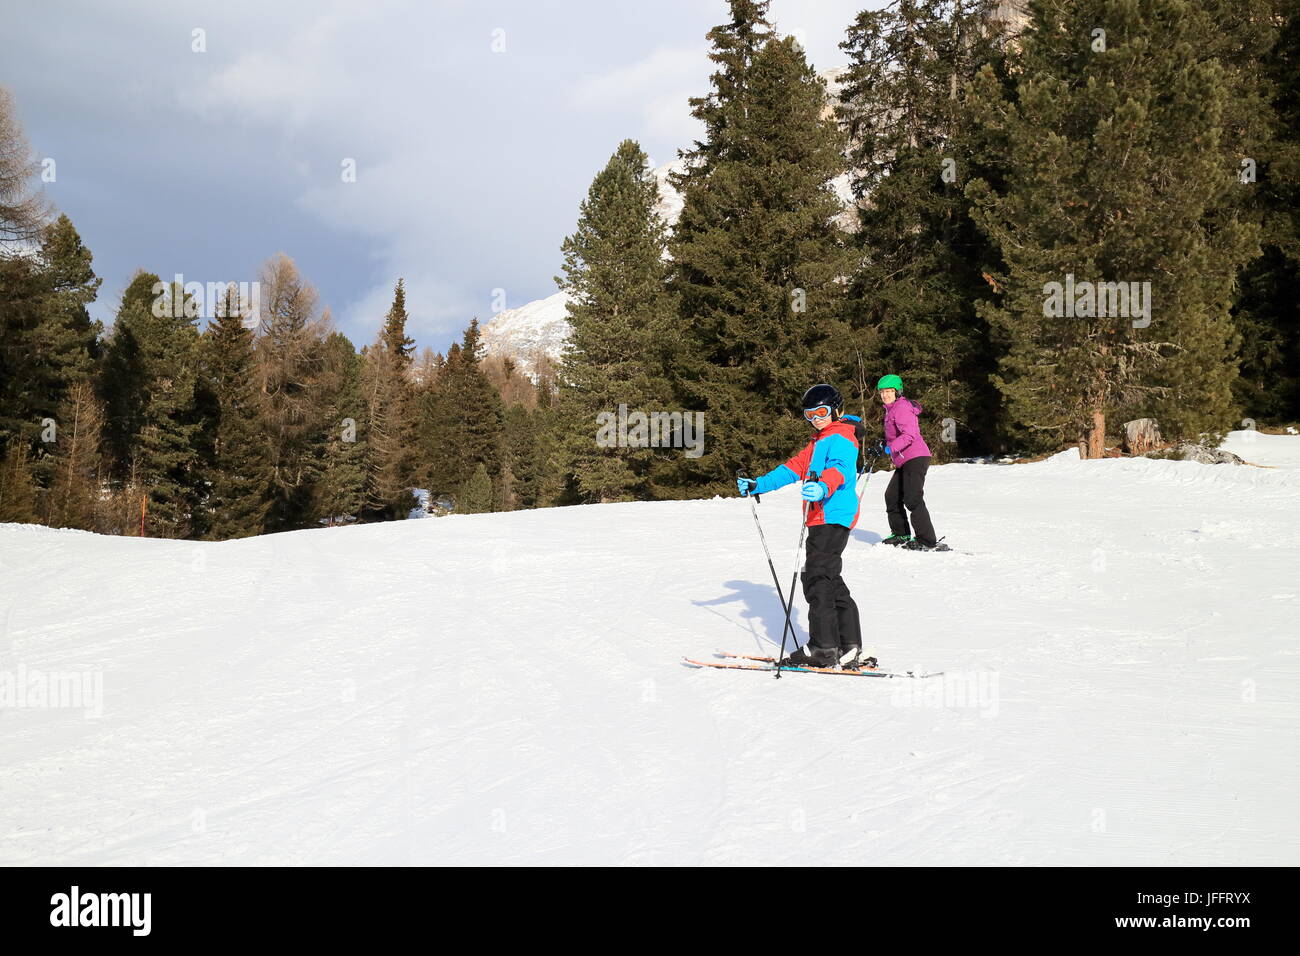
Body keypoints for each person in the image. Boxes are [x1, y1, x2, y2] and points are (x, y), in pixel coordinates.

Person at [735, 384, 869, 669]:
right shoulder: (818, 442)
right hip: (822, 517)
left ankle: (823, 648)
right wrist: (759, 484)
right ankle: (849, 644)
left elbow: (840, 470)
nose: (816, 418)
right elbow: (791, 468)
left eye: (821, 412)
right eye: (809, 414)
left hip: (832, 514)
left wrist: (822, 487)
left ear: (835, 410)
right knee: (829, 578)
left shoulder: (842, 437)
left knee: (817, 578)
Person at [872, 374, 948, 551]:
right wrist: (883, 444)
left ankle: (926, 540)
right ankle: (901, 534)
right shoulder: (890, 410)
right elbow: (896, 435)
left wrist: (889, 449)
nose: (885, 395)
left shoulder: (902, 408)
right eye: (882, 391)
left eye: (889, 391)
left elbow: (909, 435)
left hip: (915, 457)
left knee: (912, 498)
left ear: (897, 392)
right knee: (892, 496)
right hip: (904, 459)